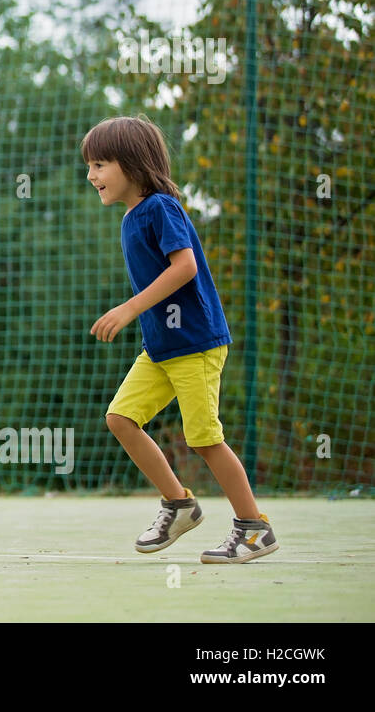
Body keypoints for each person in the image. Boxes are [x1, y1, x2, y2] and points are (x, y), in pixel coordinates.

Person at [83, 115, 278, 564]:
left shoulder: (160, 208)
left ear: (131, 163)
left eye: (100, 164)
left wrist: (130, 308)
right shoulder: (131, 217)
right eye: (90, 166)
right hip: (161, 348)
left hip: (196, 343)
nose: (91, 175)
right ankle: (179, 504)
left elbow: (185, 266)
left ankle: (254, 529)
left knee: (204, 438)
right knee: (121, 418)